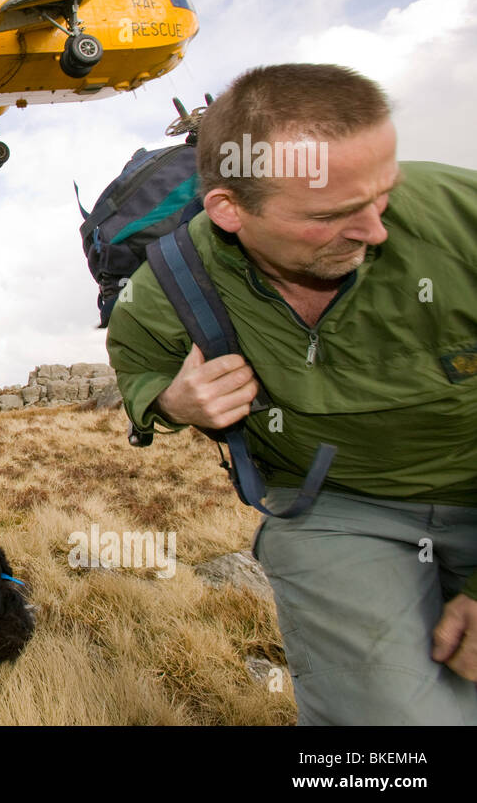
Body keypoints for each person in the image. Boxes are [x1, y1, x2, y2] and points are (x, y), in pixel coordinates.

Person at [106, 63, 477, 725]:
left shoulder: (461, 216)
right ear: (229, 211)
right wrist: (174, 403)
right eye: (333, 215)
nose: (376, 230)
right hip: (342, 508)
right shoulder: (170, 283)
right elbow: (136, 365)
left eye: (382, 194)